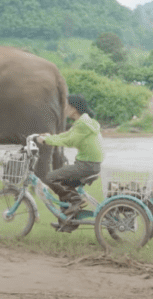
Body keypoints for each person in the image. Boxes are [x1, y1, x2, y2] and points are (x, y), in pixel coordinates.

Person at [37, 94, 103, 231]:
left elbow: (68, 141)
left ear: (74, 109)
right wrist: (50, 137)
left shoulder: (83, 124)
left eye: (66, 106)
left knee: (50, 177)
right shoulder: (83, 121)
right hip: (90, 164)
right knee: (64, 185)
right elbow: (67, 135)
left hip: (86, 165)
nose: (64, 109)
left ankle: (76, 201)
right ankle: (66, 222)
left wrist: (47, 141)